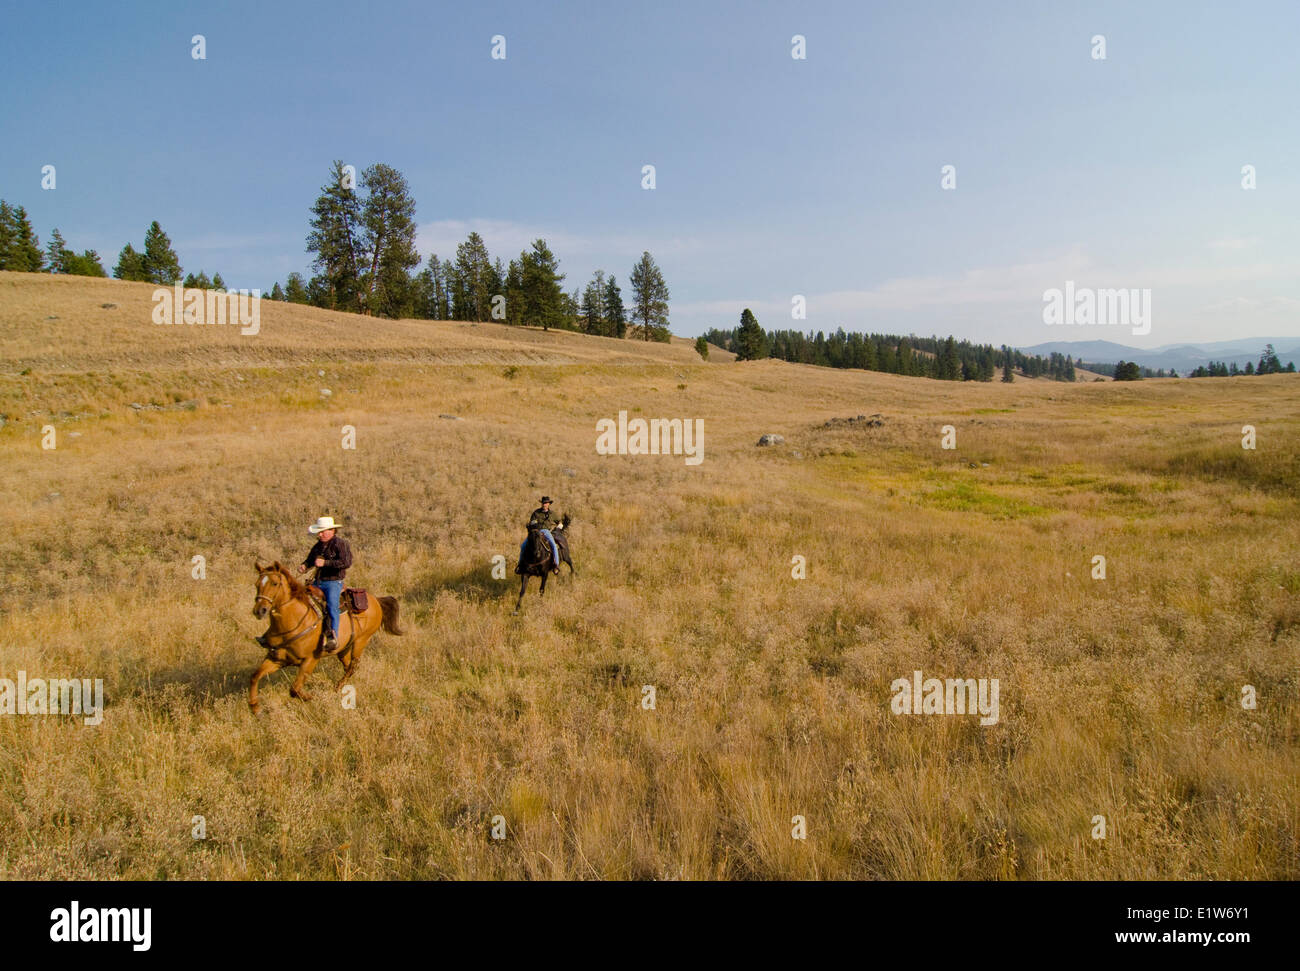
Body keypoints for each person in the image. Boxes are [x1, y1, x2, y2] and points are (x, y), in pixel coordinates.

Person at [299, 515, 352, 651]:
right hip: (317, 581)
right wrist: (304, 566)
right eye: (319, 531)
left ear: (332, 531)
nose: (320, 534)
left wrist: (326, 563)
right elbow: (310, 560)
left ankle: (333, 636)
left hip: (333, 582)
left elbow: (346, 562)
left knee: (332, 605)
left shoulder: (340, 544)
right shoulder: (318, 546)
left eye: (323, 531)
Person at [517, 496, 561, 574]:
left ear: (549, 504)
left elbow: (559, 523)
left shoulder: (552, 514)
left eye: (546, 503)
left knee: (554, 545)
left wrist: (558, 528)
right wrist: (535, 527)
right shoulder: (536, 513)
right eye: (543, 503)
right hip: (536, 531)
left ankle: (556, 565)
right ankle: (520, 565)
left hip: (546, 531)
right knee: (523, 546)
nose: (544, 504)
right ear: (541, 503)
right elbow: (532, 522)